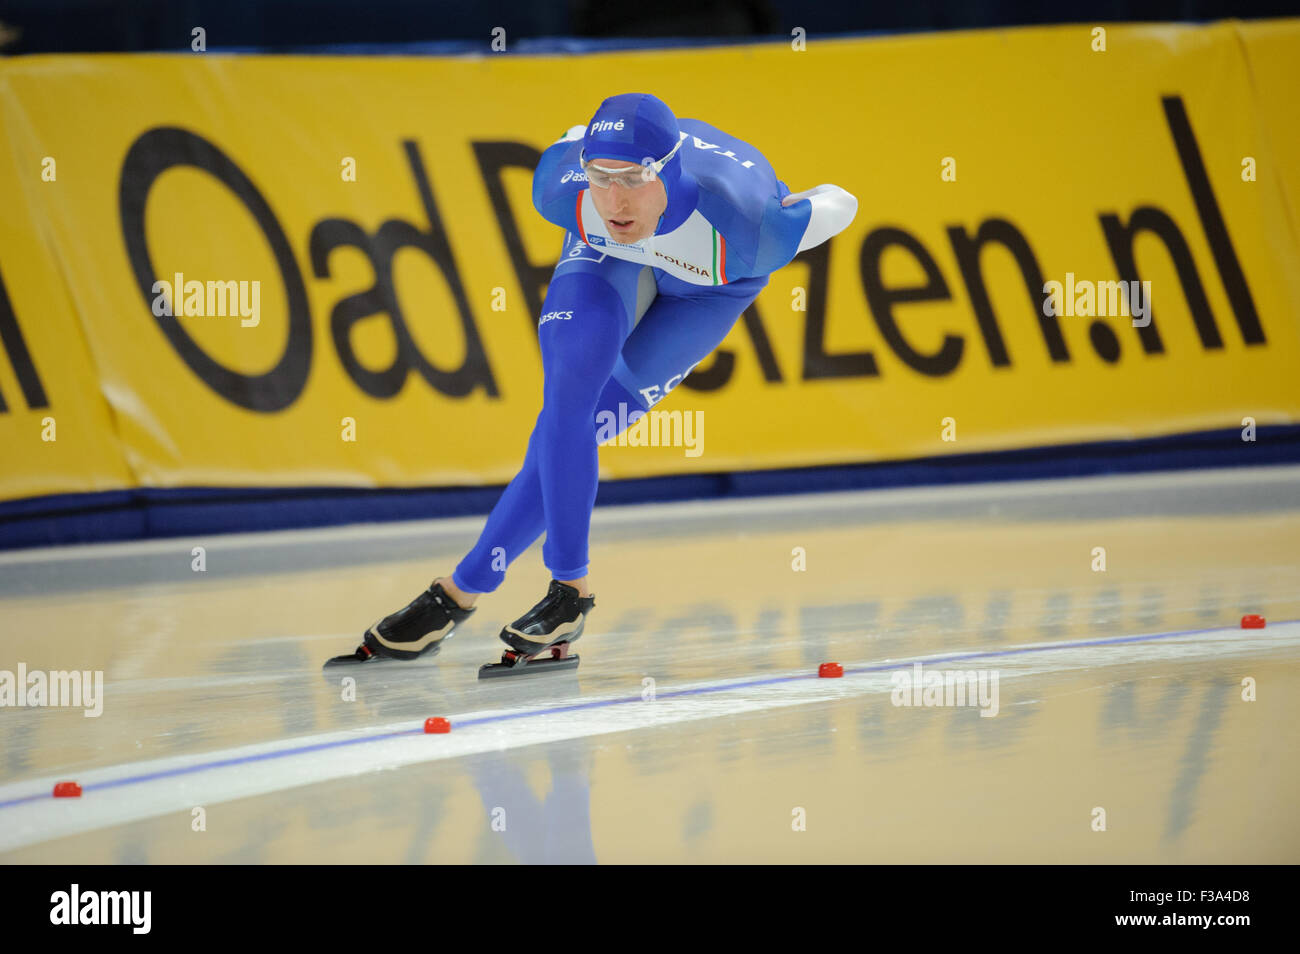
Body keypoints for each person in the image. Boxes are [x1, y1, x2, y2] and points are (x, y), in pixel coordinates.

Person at [328, 92, 857, 669]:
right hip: (609, 256)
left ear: (668, 172)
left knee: (589, 422)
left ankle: (460, 592)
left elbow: (843, 201)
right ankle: (566, 593)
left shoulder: (755, 226)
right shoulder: (564, 192)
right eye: (600, 177)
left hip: (708, 288)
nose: (615, 199)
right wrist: (603, 174)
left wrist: (804, 205)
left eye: (633, 179)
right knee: (567, 402)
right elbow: (585, 159)